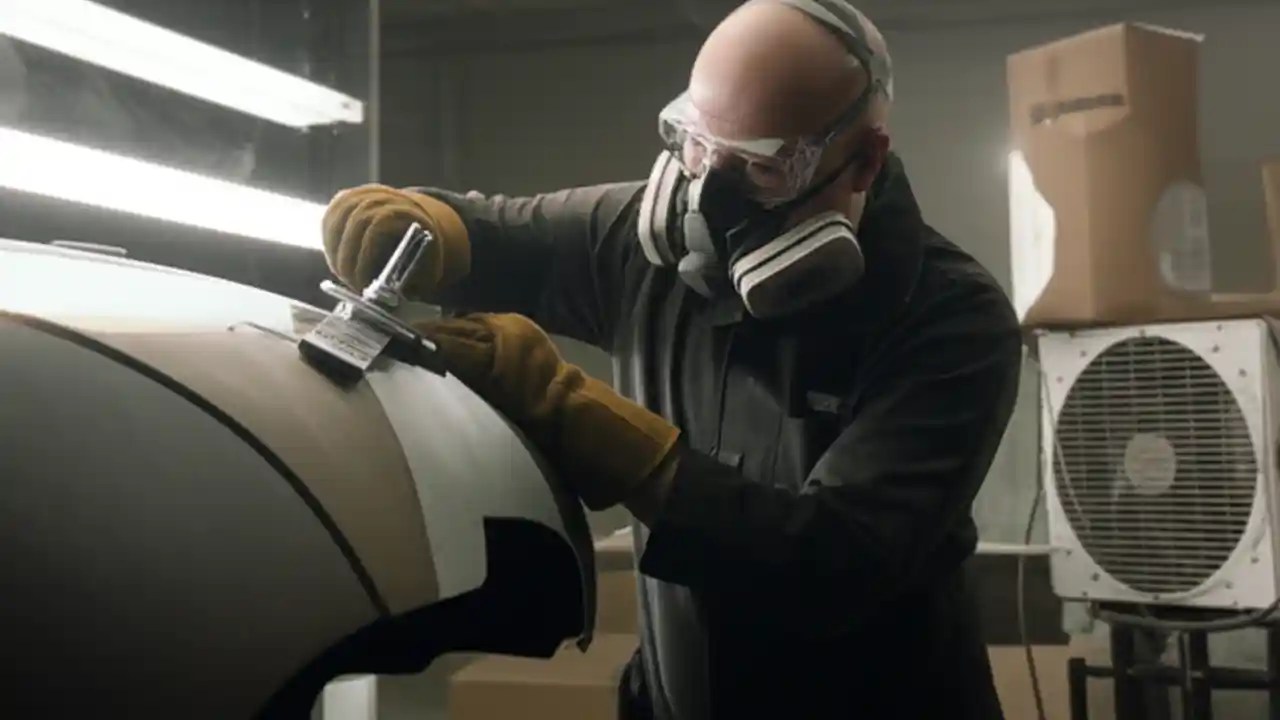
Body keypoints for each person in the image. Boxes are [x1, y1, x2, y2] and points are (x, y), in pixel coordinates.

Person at [321, 1, 1021, 717]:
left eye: (761, 165)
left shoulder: (951, 319)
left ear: (863, 160)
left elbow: (832, 566)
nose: (708, 198)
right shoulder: (644, 241)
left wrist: (585, 425)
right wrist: (424, 224)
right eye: (695, 145)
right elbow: (498, 234)